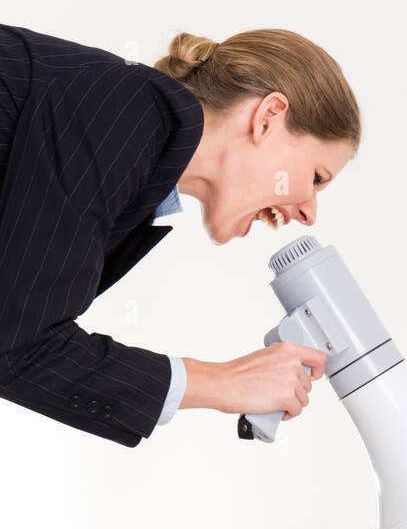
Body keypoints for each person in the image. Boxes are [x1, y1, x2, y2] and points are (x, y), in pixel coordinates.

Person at [0, 24, 361, 447]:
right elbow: (17, 343)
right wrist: (223, 382)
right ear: (268, 117)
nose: (308, 213)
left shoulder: (131, 152)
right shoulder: (126, 111)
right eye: (316, 178)